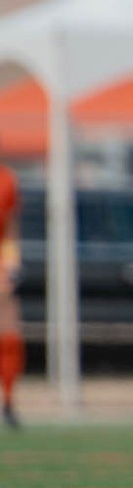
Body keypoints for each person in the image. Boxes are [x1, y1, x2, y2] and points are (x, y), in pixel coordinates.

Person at [0, 162, 21, 429]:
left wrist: (11, 267)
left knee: (9, 334)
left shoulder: (6, 180)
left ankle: (8, 401)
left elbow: (10, 230)